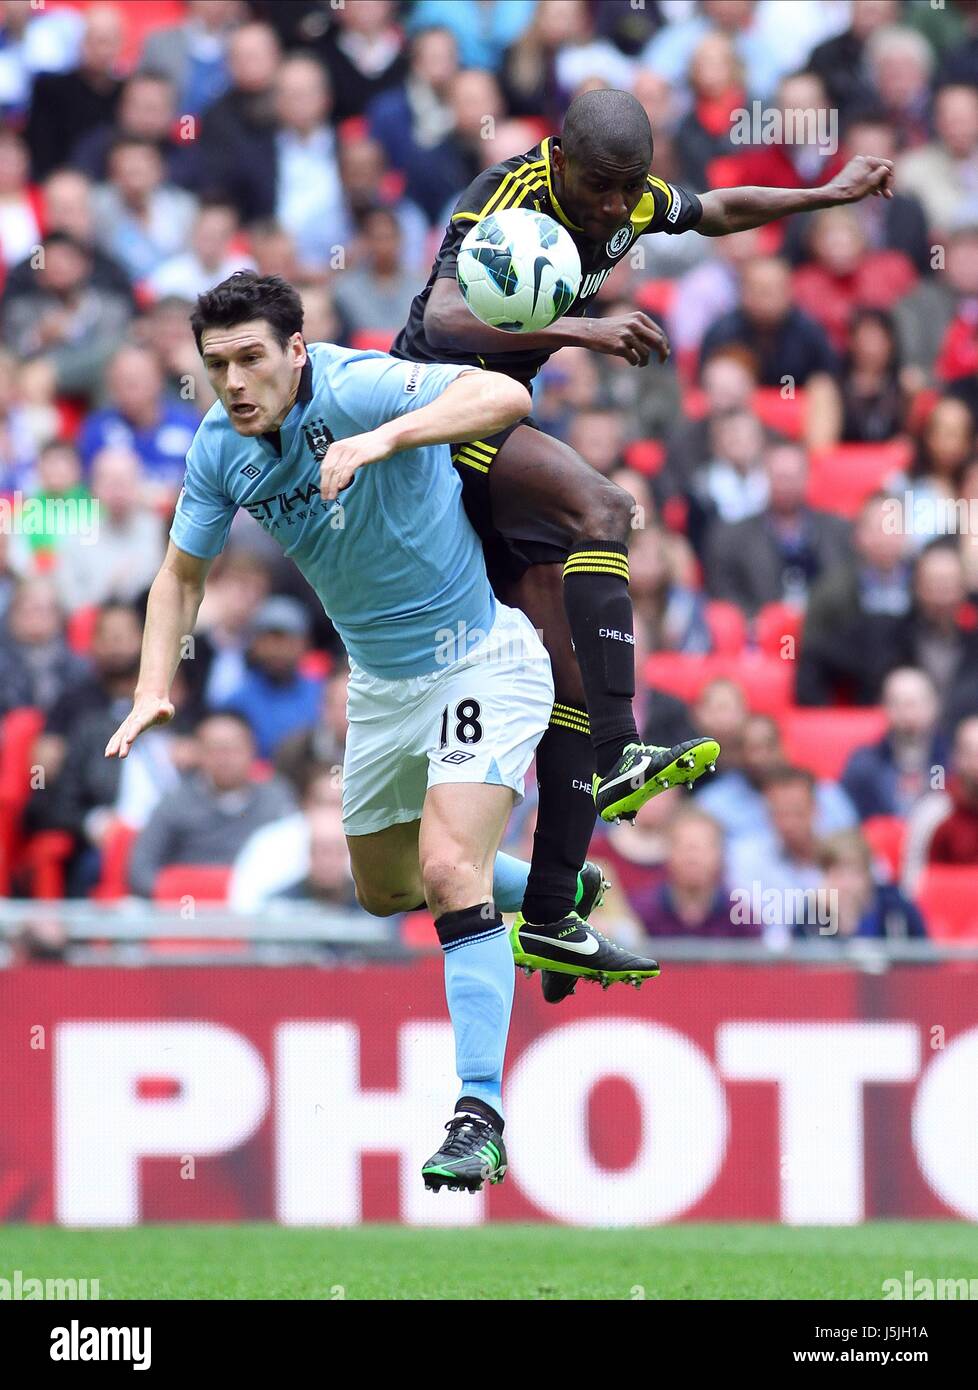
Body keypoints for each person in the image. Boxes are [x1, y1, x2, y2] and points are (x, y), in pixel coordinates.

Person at [105, 271, 657, 1194]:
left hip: (481, 659)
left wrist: (385, 437)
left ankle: (479, 1114)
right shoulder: (219, 450)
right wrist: (153, 687)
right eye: (216, 365)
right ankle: (555, 887)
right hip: (382, 689)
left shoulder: (359, 385)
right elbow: (180, 576)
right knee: (382, 887)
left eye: (250, 359)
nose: (234, 382)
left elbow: (506, 397)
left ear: (295, 351)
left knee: (447, 872)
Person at [391, 85, 893, 997]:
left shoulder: (626, 198)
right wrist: (584, 329)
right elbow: (441, 319)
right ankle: (627, 753)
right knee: (605, 510)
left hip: (492, 429)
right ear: (561, 160)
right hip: (433, 417)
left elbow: (716, 210)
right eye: (602, 187)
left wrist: (827, 194)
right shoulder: (506, 196)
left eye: (631, 188)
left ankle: (551, 915)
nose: (619, 206)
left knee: (571, 682)